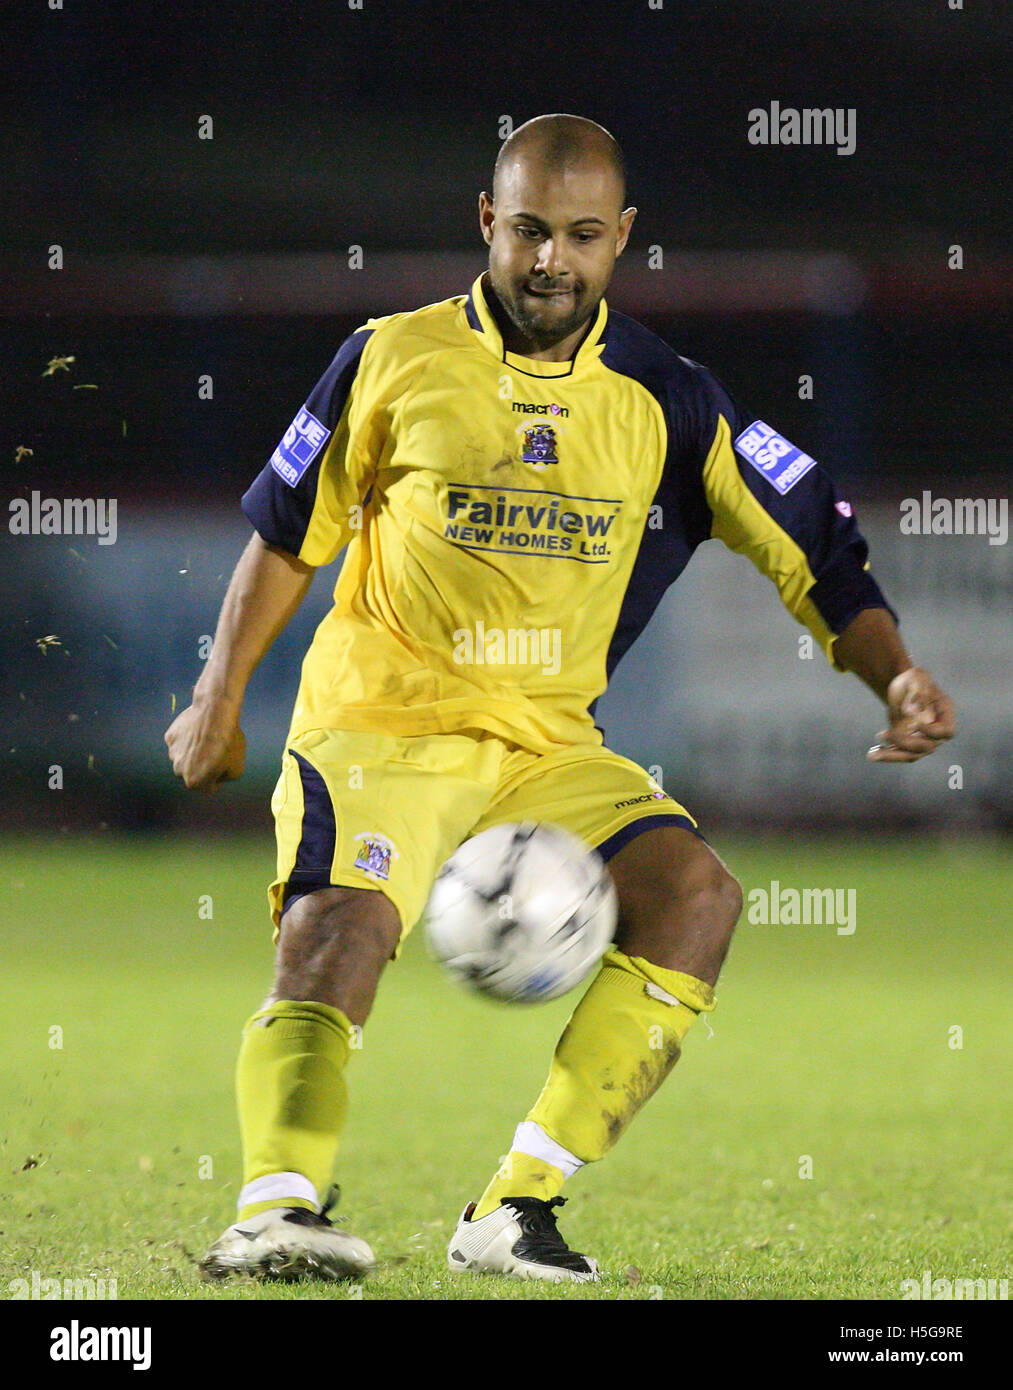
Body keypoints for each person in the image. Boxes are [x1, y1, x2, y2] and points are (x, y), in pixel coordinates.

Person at [165, 113, 955, 1285]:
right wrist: (216, 697)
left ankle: (514, 1205)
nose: (551, 261)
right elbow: (284, 538)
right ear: (487, 220)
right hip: (384, 721)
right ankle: (275, 1207)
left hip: (546, 746)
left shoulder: (668, 397)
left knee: (694, 895)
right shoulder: (391, 353)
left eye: (581, 236)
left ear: (620, 237)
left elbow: (809, 542)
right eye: (529, 230)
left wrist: (888, 669)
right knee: (339, 927)